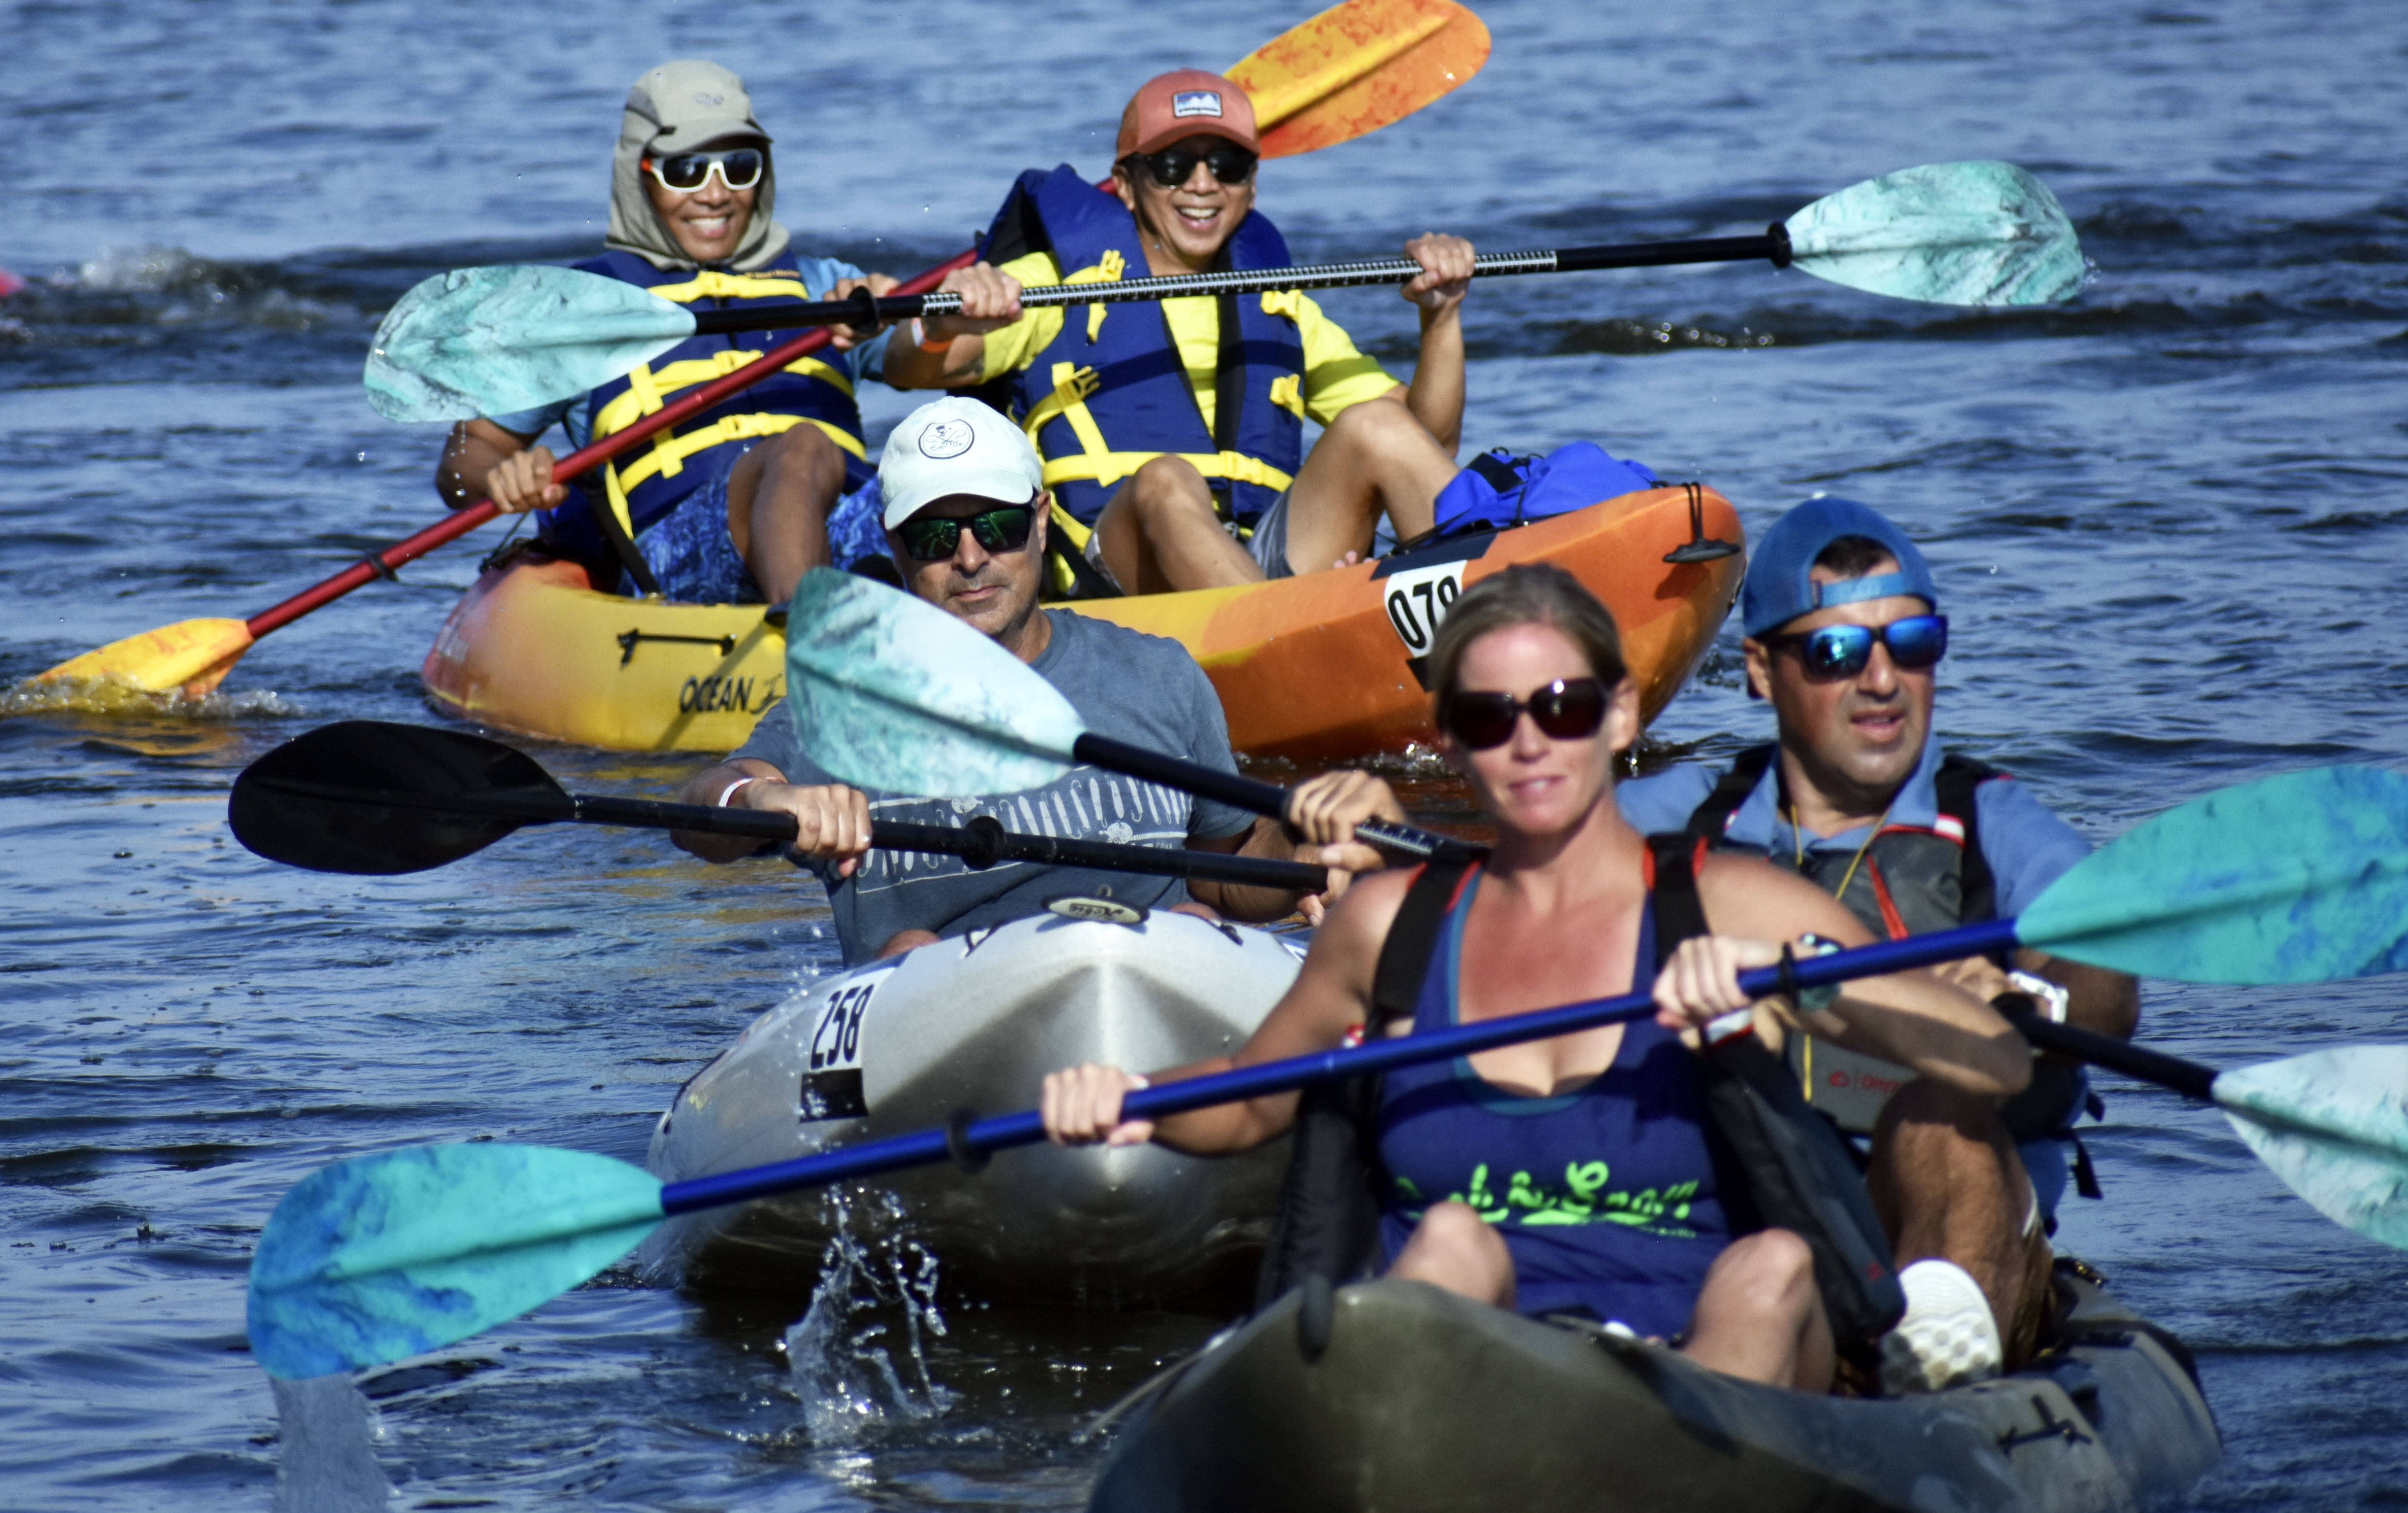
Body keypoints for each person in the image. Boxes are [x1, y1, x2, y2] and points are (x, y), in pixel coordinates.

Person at [1042, 564, 2031, 1394]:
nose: (1528, 742)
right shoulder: (1388, 925)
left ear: (1620, 712)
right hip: (1484, 1367)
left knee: (1770, 1266)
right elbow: (1247, 1101)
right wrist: (1127, 1097)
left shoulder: (1734, 906)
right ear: (1446, 735)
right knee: (1451, 1240)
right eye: (1489, 715)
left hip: (1713, 1369)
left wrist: (1800, 980)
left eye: (1563, 706)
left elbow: (1995, 1060)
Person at [1617, 494, 2141, 1388]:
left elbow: (2105, 973)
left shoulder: (1987, 821)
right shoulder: (1681, 817)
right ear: (1759, 668)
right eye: (1836, 651)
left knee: (1938, 1112)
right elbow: (1511, 886)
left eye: (1912, 643)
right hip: (1748, 1240)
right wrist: (1384, 845)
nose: (1881, 679)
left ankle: (1927, 1375)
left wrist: (2031, 996)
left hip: (1940, 1233)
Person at [675, 399, 1402, 966]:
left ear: (1042, 521)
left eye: (997, 526)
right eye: (935, 537)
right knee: (910, 950)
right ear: (896, 549)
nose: (970, 558)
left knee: (1195, 921)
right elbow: (700, 811)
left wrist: (1306, 856)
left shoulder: (1158, 673)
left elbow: (1227, 868)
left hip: (1154, 980)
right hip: (936, 1010)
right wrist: (761, 798)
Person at [876, 68, 1479, 597]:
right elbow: (909, 369)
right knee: (1166, 479)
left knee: (1377, 425)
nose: (1202, 183)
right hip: (1116, 579)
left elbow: (1429, 441)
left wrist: (1441, 314)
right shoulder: (1055, 283)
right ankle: (1277, 638)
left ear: (1252, 185)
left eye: (1227, 165)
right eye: (1172, 165)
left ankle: (1494, 604)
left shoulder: (1281, 306)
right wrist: (941, 324)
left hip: (1258, 565)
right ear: (1127, 183)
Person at [435, 60, 900, 609]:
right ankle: (813, 633)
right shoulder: (573, 310)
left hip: (844, 516)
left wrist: (946, 321)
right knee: (802, 446)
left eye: (739, 168)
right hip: (679, 548)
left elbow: (931, 360)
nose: (715, 194)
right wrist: (501, 475)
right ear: (641, 175)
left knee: (942, 468)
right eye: (687, 171)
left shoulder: (826, 285)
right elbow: (465, 456)